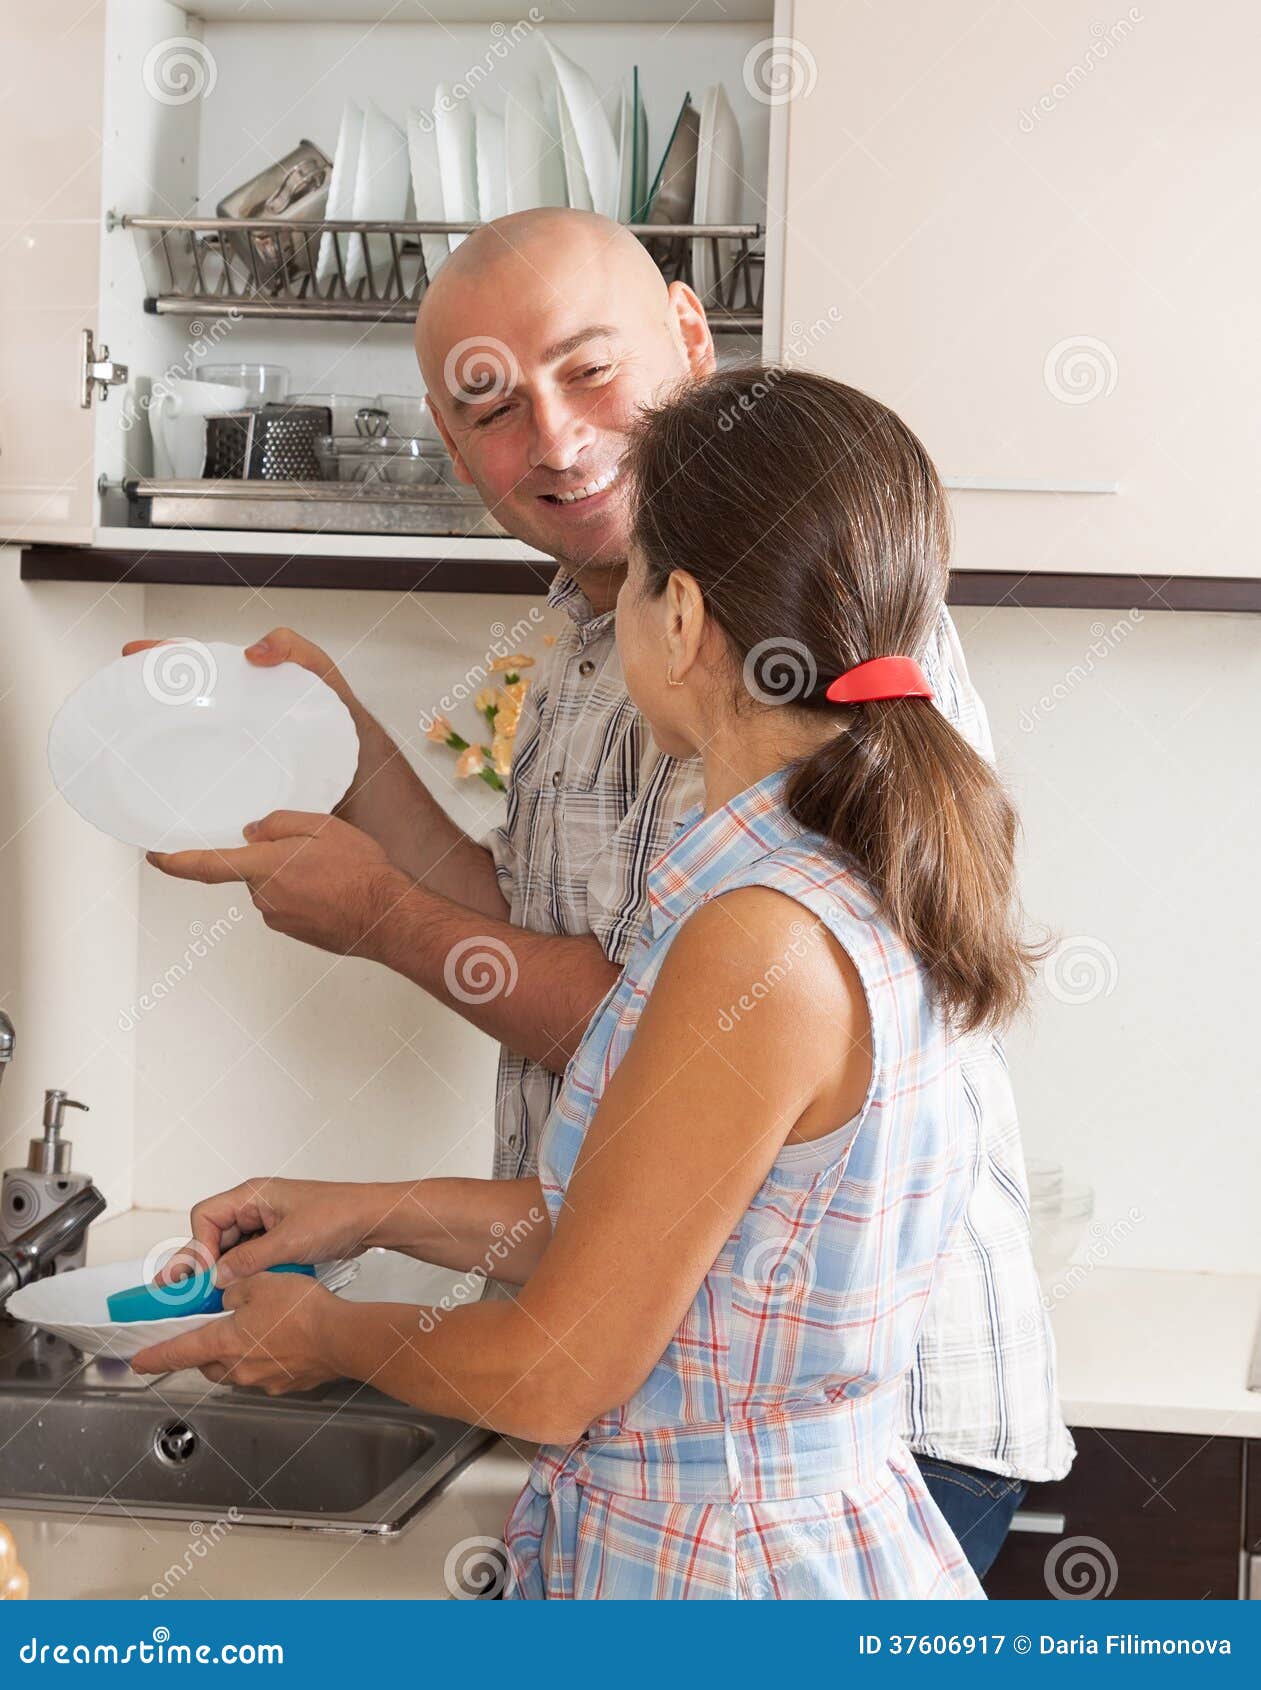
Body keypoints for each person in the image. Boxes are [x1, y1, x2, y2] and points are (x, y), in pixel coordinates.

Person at [127, 210, 1072, 1572]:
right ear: (452, 440)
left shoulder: (789, 821)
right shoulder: (643, 687)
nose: (559, 440)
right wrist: (343, 746)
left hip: (785, 1461)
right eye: (494, 405)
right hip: (729, 1445)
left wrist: (325, 1326)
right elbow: (601, 1029)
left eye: (587, 370)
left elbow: (654, 1078)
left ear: (690, 335)